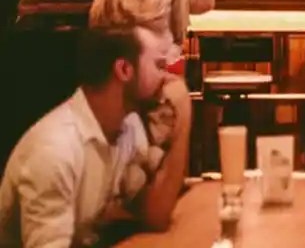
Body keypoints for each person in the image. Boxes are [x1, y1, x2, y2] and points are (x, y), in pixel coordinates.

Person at [0, 26, 189, 245]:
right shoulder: (54, 152)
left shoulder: (127, 127)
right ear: (124, 69)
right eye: (159, 66)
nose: (166, 78)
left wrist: (183, 116)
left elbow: (155, 216)